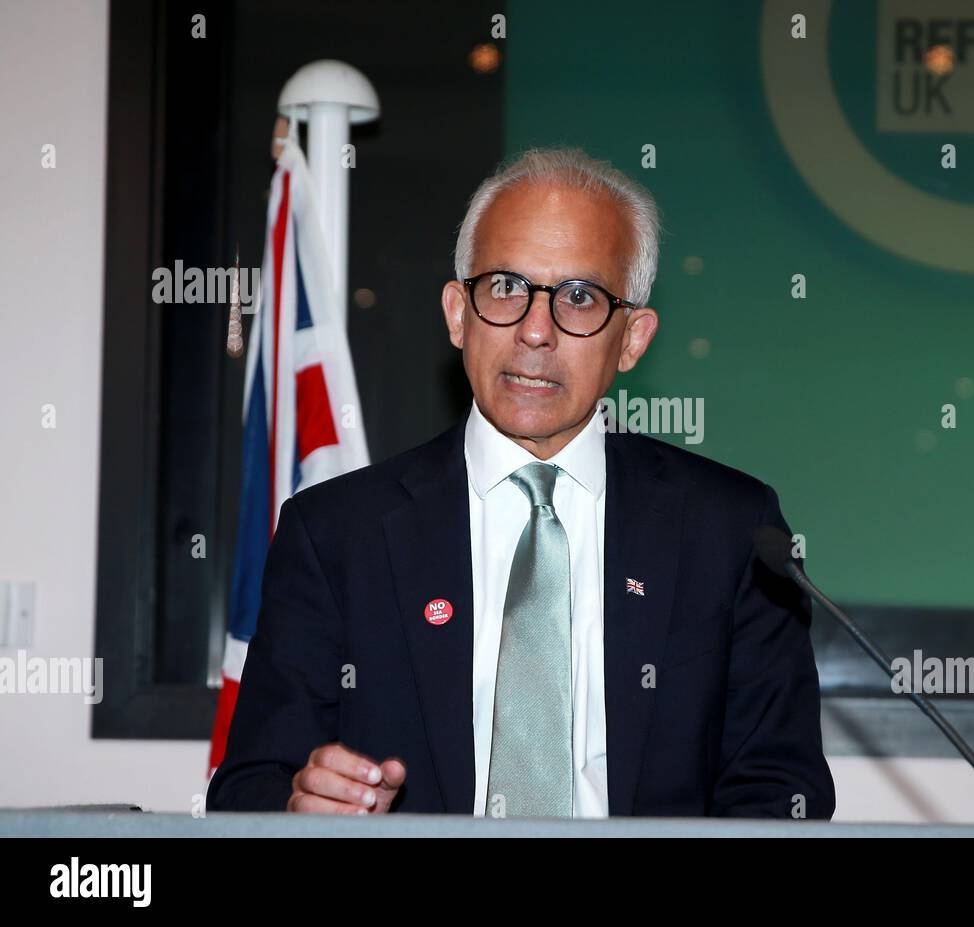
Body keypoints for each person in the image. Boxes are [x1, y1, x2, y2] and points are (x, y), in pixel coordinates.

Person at [206, 147, 835, 819]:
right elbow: (246, 789)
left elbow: (779, 794)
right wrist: (302, 805)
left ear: (633, 339)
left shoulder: (732, 531)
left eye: (580, 297)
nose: (536, 331)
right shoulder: (335, 533)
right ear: (457, 312)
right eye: (505, 286)